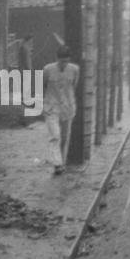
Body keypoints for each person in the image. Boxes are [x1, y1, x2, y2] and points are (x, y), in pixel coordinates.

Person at [41, 43, 79, 176]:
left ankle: (61, 162)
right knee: (55, 135)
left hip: (67, 106)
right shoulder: (48, 69)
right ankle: (57, 164)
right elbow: (43, 86)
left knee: (64, 137)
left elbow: (74, 85)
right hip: (51, 106)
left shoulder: (74, 69)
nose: (64, 64)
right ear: (57, 59)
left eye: (66, 62)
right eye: (62, 61)